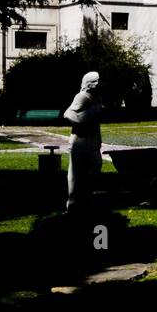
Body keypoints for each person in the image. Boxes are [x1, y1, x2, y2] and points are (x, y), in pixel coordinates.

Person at [63, 71, 104, 212]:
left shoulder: (95, 97)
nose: (100, 83)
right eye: (97, 81)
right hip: (81, 140)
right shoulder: (82, 96)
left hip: (92, 140)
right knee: (76, 172)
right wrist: (92, 111)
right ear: (91, 83)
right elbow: (68, 114)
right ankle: (73, 201)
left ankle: (86, 197)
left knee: (95, 167)